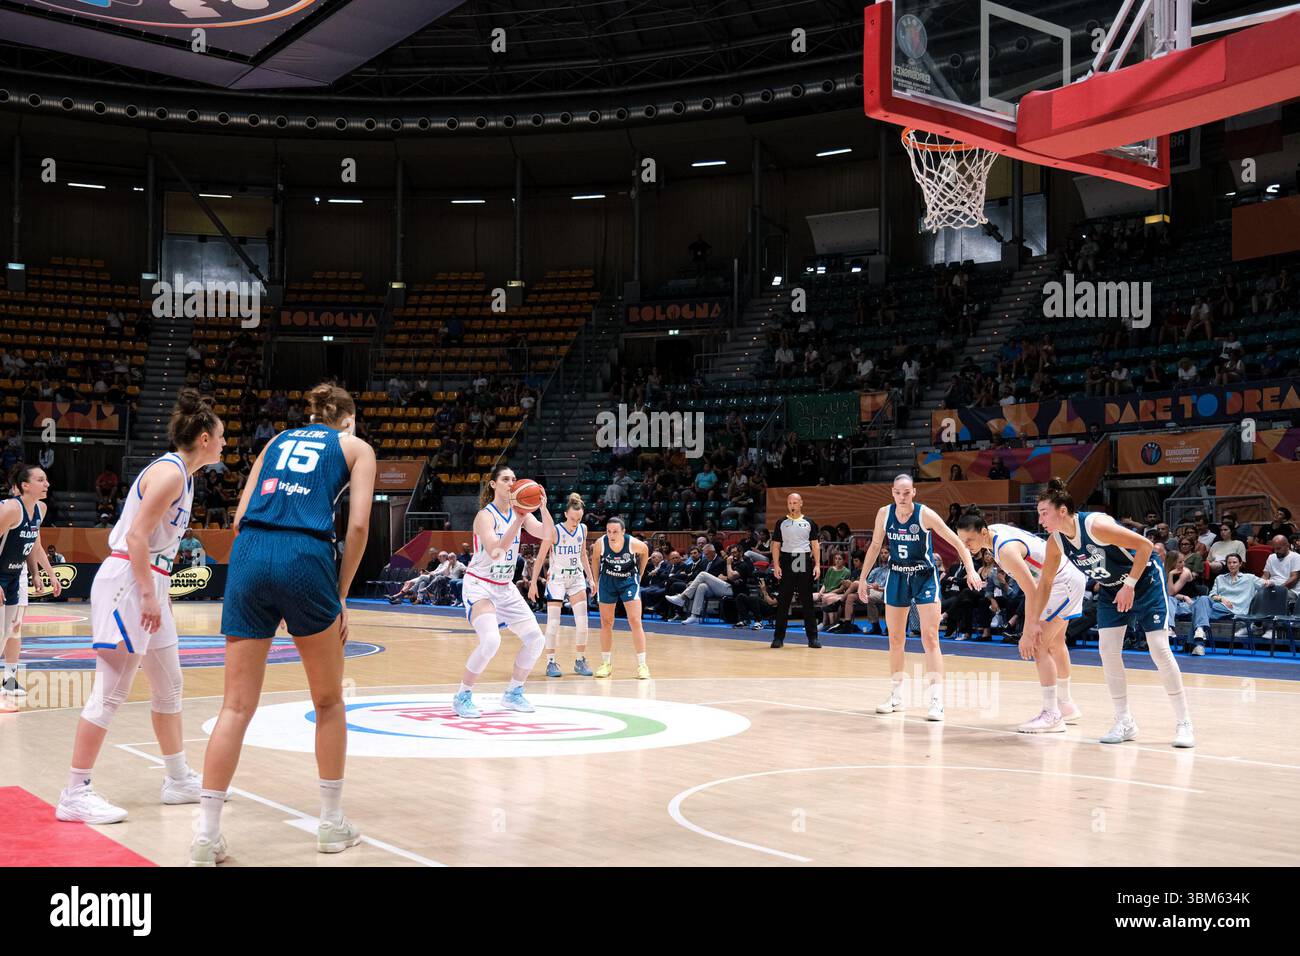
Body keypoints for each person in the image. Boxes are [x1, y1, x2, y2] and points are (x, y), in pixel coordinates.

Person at [194, 384, 376, 864]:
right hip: (304, 554)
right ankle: (331, 824)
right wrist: (339, 594)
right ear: (348, 420)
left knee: (235, 706)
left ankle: (206, 834)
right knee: (329, 700)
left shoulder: (274, 443)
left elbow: (236, 520)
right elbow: (358, 527)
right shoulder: (356, 447)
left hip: (251, 553)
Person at [54, 393, 221, 826]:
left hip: (149, 580)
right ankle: (75, 791)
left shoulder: (181, 474)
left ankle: (178, 779)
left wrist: (156, 591)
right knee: (110, 691)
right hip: (131, 579)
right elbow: (136, 538)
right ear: (204, 438)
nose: (224, 445)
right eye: (220, 437)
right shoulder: (169, 474)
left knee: (170, 686)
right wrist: (149, 594)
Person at [1027, 479, 1194, 748]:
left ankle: (1184, 723)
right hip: (1110, 588)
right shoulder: (1056, 540)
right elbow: (1045, 582)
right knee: (1107, 650)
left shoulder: (1095, 526)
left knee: (1159, 649)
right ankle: (1124, 721)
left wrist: (1129, 585)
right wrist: (1034, 620)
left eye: (1044, 513)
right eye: (1038, 514)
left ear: (1062, 511)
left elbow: (1145, 546)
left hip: (1144, 580)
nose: (1040, 519)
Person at [856, 475, 982, 720]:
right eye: (898, 493)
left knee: (930, 637)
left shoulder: (925, 514)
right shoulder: (884, 513)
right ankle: (896, 696)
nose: (902, 497)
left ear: (914, 492)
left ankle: (936, 700)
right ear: (892, 492)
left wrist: (970, 568)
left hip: (924, 576)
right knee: (895, 638)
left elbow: (957, 542)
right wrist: (862, 579)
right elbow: (874, 547)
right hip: (898, 576)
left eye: (906, 493)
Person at [957, 508, 1086, 732]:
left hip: (1060, 582)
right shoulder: (993, 534)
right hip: (1065, 576)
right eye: (963, 540)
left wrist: (1028, 630)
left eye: (969, 540)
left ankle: (1052, 714)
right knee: (1056, 643)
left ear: (983, 532)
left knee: (1038, 645)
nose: (966, 545)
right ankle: (1066, 705)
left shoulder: (1005, 550)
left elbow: (1032, 591)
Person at [448, 466, 553, 719]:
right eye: (505, 479)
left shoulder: (523, 515)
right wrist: (518, 519)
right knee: (491, 641)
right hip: (480, 584)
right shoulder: (485, 516)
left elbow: (548, 534)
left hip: (505, 587)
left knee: (537, 640)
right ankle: (463, 695)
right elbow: (495, 551)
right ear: (493, 485)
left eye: (514, 480)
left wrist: (542, 508)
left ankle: (513, 693)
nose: (511, 483)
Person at [1, 467, 63, 696]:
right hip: (1, 575)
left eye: (46, 479)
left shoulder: (41, 508)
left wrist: (46, 574)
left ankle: (8, 681)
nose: (47, 483)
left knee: (12, 630)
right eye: (41, 479)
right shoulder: (10, 509)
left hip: (16, 575)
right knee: (2, 631)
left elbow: (34, 545)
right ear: (24, 485)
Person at [528, 493, 596, 678]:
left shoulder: (583, 529)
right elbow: (541, 557)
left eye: (579, 518)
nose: (576, 522)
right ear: (566, 514)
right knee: (553, 624)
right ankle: (550, 662)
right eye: (573, 518)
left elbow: (583, 555)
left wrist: (590, 578)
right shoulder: (555, 531)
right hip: (557, 579)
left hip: (575, 578)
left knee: (583, 623)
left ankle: (580, 660)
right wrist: (533, 583)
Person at [592, 516, 651, 679]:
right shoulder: (600, 543)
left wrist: (640, 572)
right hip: (607, 581)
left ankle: (642, 665)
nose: (611, 535)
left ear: (623, 532)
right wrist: (595, 581)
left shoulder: (632, 543)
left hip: (628, 580)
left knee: (635, 620)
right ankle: (605, 663)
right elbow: (595, 559)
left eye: (615, 532)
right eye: (609, 531)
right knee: (606, 622)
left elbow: (645, 551)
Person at [770, 493, 821, 649]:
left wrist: (817, 564)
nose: (792, 505)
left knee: (807, 600)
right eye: (790, 502)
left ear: (801, 503)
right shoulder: (781, 522)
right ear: (787, 504)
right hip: (787, 559)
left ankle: (813, 638)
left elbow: (815, 545)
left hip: (802, 558)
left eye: (795, 502)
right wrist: (777, 565)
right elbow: (776, 546)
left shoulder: (809, 522)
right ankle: (778, 638)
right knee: (784, 601)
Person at [1183, 553, 1258, 655]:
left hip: (1237, 609)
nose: (1231, 565)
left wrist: (1270, 583)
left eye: (1234, 562)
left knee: (1199, 609)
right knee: (1203, 600)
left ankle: (1197, 643)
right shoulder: (1220, 578)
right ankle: (1199, 639)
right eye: (1229, 563)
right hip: (1219, 607)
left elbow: (1266, 583)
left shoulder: (1250, 578)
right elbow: (1212, 595)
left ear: (1240, 564)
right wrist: (1222, 599)